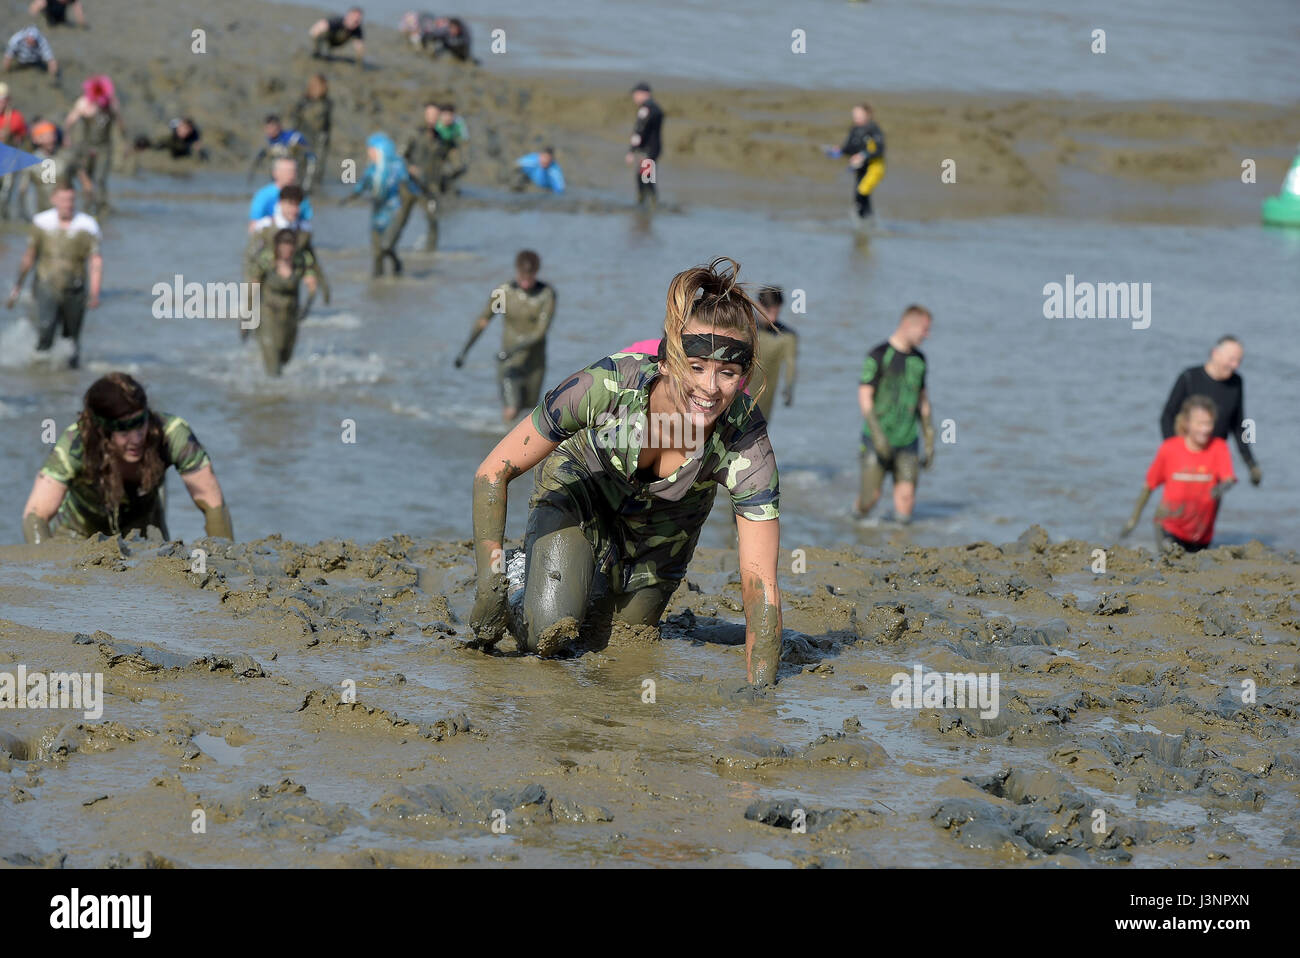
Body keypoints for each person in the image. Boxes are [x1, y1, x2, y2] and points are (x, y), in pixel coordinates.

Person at [466, 257, 783, 683]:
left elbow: (760, 582)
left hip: (669, 519)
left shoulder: (746, 439)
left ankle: (592, 578)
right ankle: (527, 568)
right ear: (668, 361)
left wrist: (760, 699)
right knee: (550, 633)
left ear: (742, 376)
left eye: (727, 372)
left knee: (621, 640)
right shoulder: (605, 386)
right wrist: (491, 582)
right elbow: (493, 471)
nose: (710, 388)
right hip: (583, 485)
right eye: (696, 368)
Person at [21, 373, 232, 543]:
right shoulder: (75, 445)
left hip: (145, 533)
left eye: (140, 423)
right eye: (123, 430)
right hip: (77, 534)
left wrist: (225, 566)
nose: (137, 438)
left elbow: (213, 504)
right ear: (101, 430)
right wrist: (46, 566)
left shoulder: (170, 434)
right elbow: (35, 516)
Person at [1122, 395, 1235, 554]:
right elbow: (1149, 486)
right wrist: (1133, 520)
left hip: (1202, 532)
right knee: (1172, 567)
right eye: (1200, 423)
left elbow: (1228, 478)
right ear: (1187, 423)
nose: (1205, 429)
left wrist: (1222, 488)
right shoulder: (1169, 449)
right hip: (1169, 526)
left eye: (1208, 423)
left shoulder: (1219, 448)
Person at [6, 181, 101, 369]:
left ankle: (69, 381)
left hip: (76, 287)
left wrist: (95, 293)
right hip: (46, 284)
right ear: (54, 200)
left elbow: (96, 261)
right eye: (64, 200)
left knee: (72, 338)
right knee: (46, 329)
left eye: (72, 199)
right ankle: (39, 375)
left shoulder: (87, 225)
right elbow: (29, 257)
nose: (68, 204)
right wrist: (18, 286)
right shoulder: (42, 222)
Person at [455, 250, 556, 422]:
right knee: (511, 409)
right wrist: (464, 351)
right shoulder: (504, 293)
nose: (525, 279)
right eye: (522, 274)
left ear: (536, 272)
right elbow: (483, 322)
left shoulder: (546, 294)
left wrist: (514, 349)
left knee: (529, 412)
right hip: (509, 362)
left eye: (530, 275)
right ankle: (503, 445)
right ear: (516, 270)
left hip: (534, 363)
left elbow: (540, 333)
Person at [856, 304, 933, 523]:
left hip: (907, 439)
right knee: (870, 499)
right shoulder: (878, 354)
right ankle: (854, 524)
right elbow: (864, 396)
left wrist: (929, 437)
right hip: (876, 438)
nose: (927, 335)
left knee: (906, 498)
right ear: (908, 324)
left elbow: (923, 399)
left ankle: (902, 545)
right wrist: (878, 437)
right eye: (924, 329)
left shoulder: (920, 360)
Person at [1159, 336, 1261, 487]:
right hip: (1185, 456)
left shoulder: (1236, 382)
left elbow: (1240, 426)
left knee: (1209, 504)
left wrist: (1251, 463)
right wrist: (1174, 451)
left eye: (1239, 361)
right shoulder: (1189, 377)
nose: (1235, 365)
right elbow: (1167, 417)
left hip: (1214, 457)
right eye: (1231, 359)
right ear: (1215, 353)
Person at [246, 228, 325, 376]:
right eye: (283, 245)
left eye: (290, 245)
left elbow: (311, 283)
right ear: (277, 246)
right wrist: (247, 317)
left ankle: (281, 394)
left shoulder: (300, 260)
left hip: (290, 315)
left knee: (285, 358)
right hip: (268, 313)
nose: (287, 250)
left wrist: (308, 302)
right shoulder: (266, 260)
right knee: (273, 364)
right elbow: (253, 286)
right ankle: (272, 394)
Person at [347, 132, 414, 276]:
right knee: (377, 252)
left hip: (394, 212)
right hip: (377, 214)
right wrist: (351, 197)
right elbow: (361, 185)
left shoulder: (397, 166)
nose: (369, 153)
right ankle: (377, 279)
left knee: (387, 246)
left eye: (371, 149)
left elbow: (407, 184)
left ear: (381, 149)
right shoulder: (371, 169)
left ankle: (397, 265)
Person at [65, 75, 122, 216]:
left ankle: (102, 207)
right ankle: (87, 205)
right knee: (86, 177)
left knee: (100, 178)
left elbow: (120, 122)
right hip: (86, 146)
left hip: (104, 146)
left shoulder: (111, 104)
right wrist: (67, 138)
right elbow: (70, 121)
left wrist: (124, 142)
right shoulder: (84, 103)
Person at [397, 102, 449, 250]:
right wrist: (409, 168)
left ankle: (430, 253)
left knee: (433, 220)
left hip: (429, 188)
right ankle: (387, 247)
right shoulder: (413, 133)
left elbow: (442, 162)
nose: (432, 118)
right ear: (424, 114)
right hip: (410, 185)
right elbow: (399, 156)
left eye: (436, 115)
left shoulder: (439, 138)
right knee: (401, 219)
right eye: (430, 114)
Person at [823, 103, 885, 223]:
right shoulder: (854, 129)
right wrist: (839, 151)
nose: (855, 117)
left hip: (874, 167)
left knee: (863, 192)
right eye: (854, 114)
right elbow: (850, 147)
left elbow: (879, 150)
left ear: (867, 115)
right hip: (860, 168)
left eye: (859, 114)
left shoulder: (874, 129)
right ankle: (864, 224)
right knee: (858, 196)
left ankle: (867, 221)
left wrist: (863, 155)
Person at [746, 286, 797, 423]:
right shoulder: (743, 330)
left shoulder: (787, 337)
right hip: (737, 393)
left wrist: (788, 389)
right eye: (768, 312)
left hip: (764, 399)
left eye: (776, 313)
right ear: (758, 306)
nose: (773, 319)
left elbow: (790, 365)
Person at [18, 118, 74, 218]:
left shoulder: (66, 158)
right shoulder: (30, 164)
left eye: (52, 135)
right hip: (41, 211)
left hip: (65, 211)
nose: (50, 139)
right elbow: (23, 191)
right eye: (46, 136)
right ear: (36, 139)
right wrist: (27, 215)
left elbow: (85, 183)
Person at [249, 115, 315, 192]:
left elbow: (310, 155)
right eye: (267, 128)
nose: (270, 131)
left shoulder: (294, 137)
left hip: (296, 171)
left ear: (279, 126)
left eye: (272, 127)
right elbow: (258, 159)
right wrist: (251, 177)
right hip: (278, 172)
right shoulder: (267, 142)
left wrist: (307, 183)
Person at [290, 75, 332, 188]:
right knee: (299, 166)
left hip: (319, 140)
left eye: (320, 87)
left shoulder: (327, 103)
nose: (317, 90)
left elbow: (325, 125)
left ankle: (315, 187)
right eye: (314, 87)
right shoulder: (303, 102)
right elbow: (295, 121)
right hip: (303, 137)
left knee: (317, 167)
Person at [625, 82, 663, 207]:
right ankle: (649, 203)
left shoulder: (646, 109)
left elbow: (639, 130)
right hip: (654, 149)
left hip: (648, 150)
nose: (634, 98)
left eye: (636, 95)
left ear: (644, 94)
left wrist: (631, 151)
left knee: (645, 178)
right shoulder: (656, 108)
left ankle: (647, 203)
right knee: (645, 176)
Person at [249, 155, 313, 228]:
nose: (291, 175)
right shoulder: (263, 195)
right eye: (287, 171)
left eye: (294, 171)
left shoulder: (301, 195)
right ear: (275, 173)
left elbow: (307, 222)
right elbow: (253, 225)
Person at [0, 83, 30, 219]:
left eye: (3, 99)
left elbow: (24, 140)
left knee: (6, 192)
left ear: (8, 101)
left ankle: (3, 217)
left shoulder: (15, 117)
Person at [133, 116, 206, 160]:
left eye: (188, 129)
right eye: (184, 128)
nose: (185, 131)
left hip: (179, 149)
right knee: (148, 143)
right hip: (166, 143)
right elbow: (159, 137)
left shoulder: (194, 134)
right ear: (179, 126)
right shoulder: (171, 129)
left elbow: (197, 145)